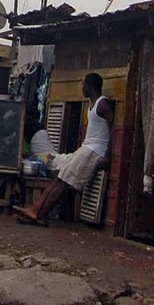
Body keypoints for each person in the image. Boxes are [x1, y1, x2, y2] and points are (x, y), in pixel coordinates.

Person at [15, 73, 113, 225]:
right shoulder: (92, 104)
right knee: (59, 176)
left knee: (63, 180)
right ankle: (36, 212)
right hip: (86, 148)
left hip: (94, 151)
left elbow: (112, 129)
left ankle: (38, 213)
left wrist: (107, 156)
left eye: (83, 84)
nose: (81, 88)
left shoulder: (103, 104)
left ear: (89, 86)